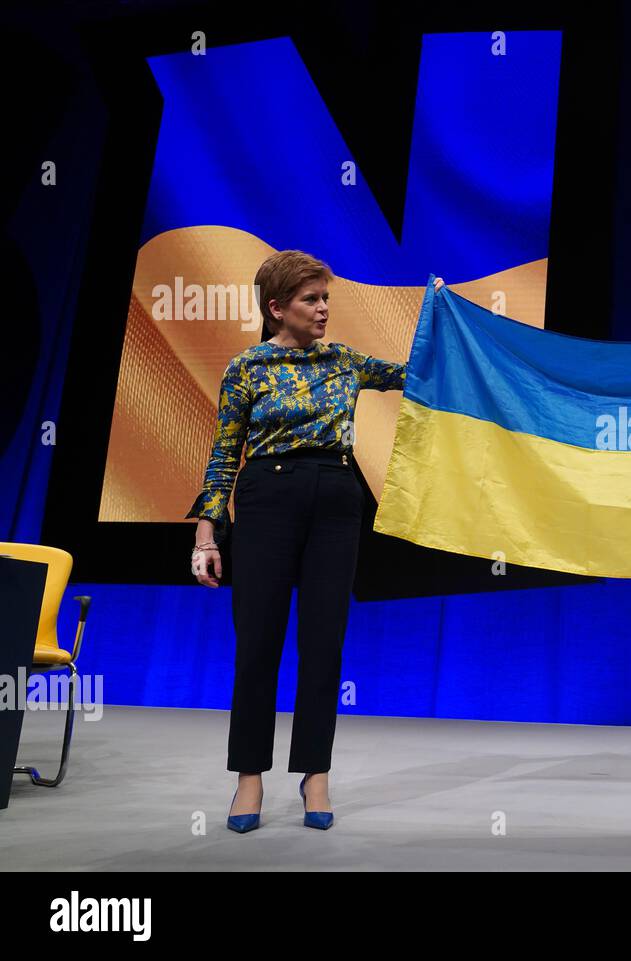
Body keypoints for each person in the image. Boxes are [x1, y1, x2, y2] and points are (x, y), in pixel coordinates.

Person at [187, 249, 444, 832]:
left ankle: (315, 773)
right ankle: (248, 777)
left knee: (323, 645)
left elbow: (417, 375)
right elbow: (225, 455)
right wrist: (207, 532)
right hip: (266, 500)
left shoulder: (345, 361)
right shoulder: (246, 368)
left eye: (326, 298)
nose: (324, 308)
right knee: (257, 645)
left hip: (336, 501)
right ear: (277, 309)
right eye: (312, 299)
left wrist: (444, 316)